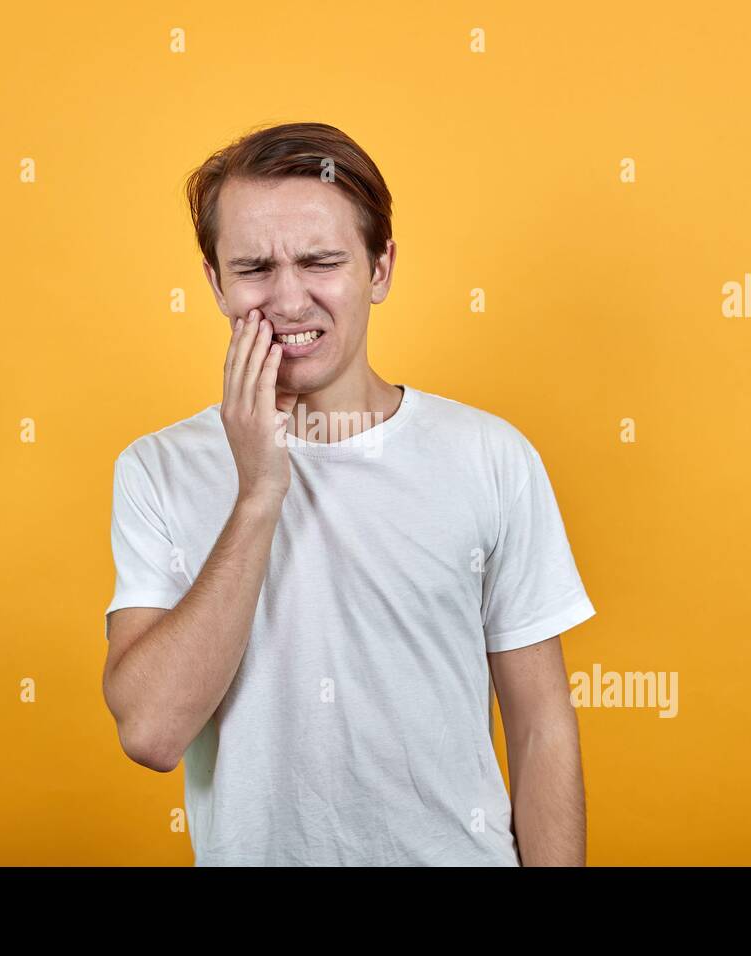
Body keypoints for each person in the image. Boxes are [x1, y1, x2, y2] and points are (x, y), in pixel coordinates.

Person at [101, 122, 597, 866]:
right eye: (255, 268)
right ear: (215, 284)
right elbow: (151, 733)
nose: (289, 300)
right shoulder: (157, 469)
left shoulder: (490, 457)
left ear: (380, 269)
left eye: (322, 261)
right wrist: (258, 495)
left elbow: (540, 725)